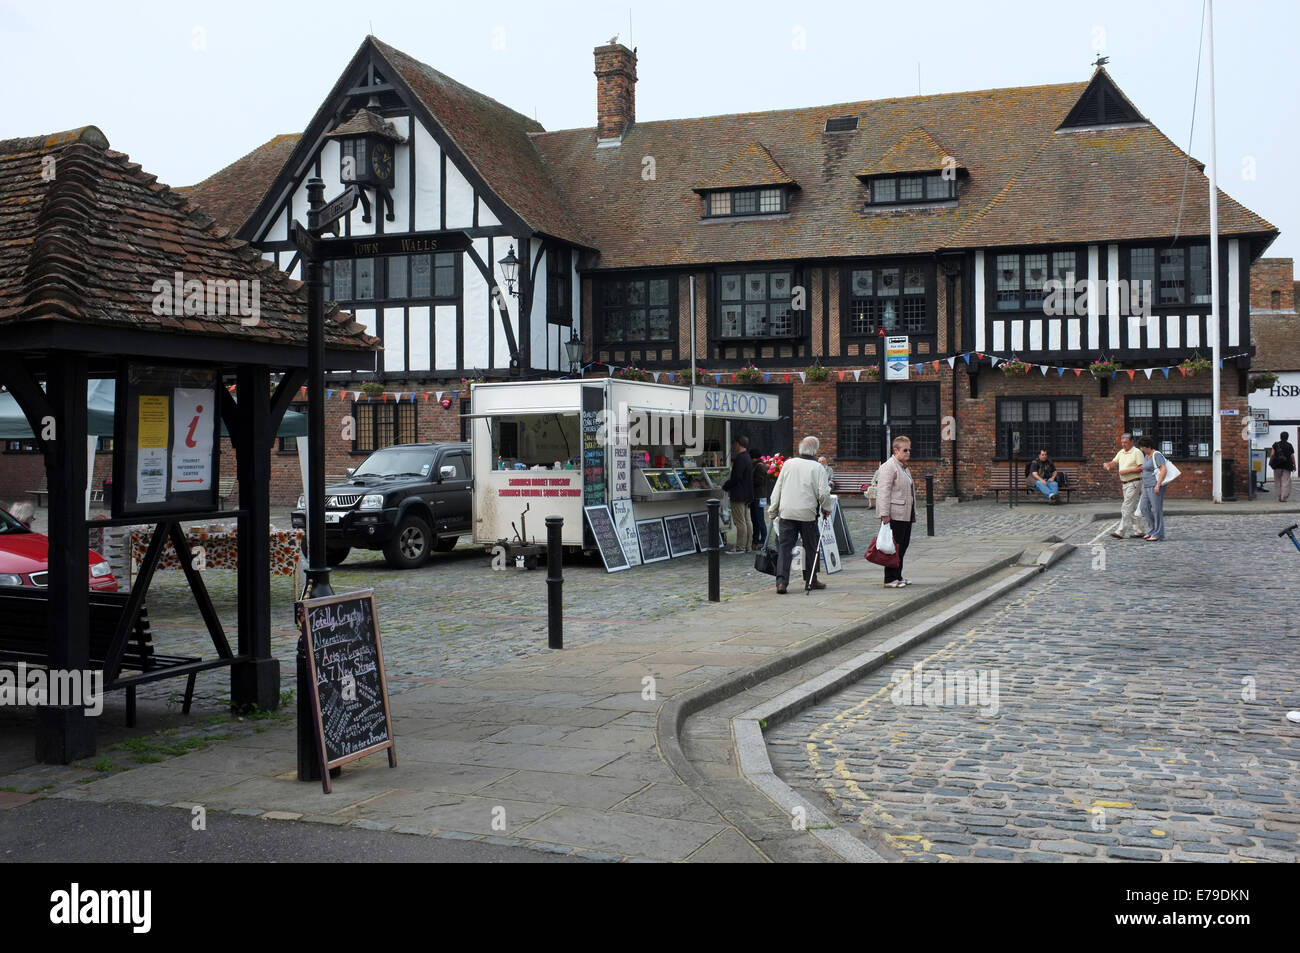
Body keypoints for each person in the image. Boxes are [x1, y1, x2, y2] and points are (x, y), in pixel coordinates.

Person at [767, 435, 831, 594]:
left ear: (800, 449)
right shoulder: (818, 468)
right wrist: (826, 508)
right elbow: (823, 493)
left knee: (785, 548)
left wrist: (772, 511)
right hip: (807, 514)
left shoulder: (788, 464)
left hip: (787, 512)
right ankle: (811, 580)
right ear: (815, 451)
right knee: (810, 547)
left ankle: (781, 582)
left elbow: (778, 489)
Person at [874, 435, 917, 588]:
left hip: (905, 513)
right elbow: (883, 492)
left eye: (909, 450)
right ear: (896, 450)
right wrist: (884, 514)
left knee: (902, 546)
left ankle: (898, 575)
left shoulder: (903, 467)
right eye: (905, 450)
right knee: (893, 548)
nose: (908, 453)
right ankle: (890, 578)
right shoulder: (889, 466)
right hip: (895, 514)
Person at [1102, 432, 1147, 540]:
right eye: (1122, 442)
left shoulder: (1137, 452)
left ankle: (1120, 531)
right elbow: (1114, 462)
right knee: (1130, 509)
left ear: (1131, 442)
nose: (1123, 445)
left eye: (1126, 442)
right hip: (1125, 484)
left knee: (1126, 507)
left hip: (1134, 483)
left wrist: (1126, 471)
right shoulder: (1121, 452)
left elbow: (1141, 468)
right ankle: (1139, 531)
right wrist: (1108, 465)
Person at [721, 436, 754, 554]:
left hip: (739, 494)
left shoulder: (740, 459)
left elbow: (736, 477)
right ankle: (748, 546)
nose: (733, 446)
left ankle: (740, 547)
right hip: (747, 494)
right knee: (747, 521)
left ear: (739, 444)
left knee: (740, 522)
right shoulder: (748, 457)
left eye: (734, 443)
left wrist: (726, 486)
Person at [1136, 436, 1169, 541]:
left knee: (1156, 509)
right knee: (1144, 508)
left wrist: (1158, 484)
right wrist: (1143, 486)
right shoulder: (1146, 456)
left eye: (1143, 447)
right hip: (1146, 486)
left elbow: (1163, 469)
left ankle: (1158, 533)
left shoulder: (1157, 455)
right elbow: (1145, 471)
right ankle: (1152, 529)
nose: (1142, 449)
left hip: (1155, 486)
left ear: (1148, 446)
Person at [750, 447, 768, 550]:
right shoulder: (760, 465)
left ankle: (763, 540)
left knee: (759, 519)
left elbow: (759, 481)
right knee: (757, 519)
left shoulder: (759, 466)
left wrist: (749, 482)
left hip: (758, 496)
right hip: (760, 496)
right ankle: (758, 540)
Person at [1269, 430, 1295, 503]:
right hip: (1287, 466)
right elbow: (1292, 457)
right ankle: (1284, 497)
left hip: (1277, 466)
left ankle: (1279, 496)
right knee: (1285, 482)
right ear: (1287, 438)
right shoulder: (1289, 445)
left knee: (1277, 481)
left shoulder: (1276, 444)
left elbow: (1272, 455)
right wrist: (1295, 466)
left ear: (1280, 437)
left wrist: (1271, 464)